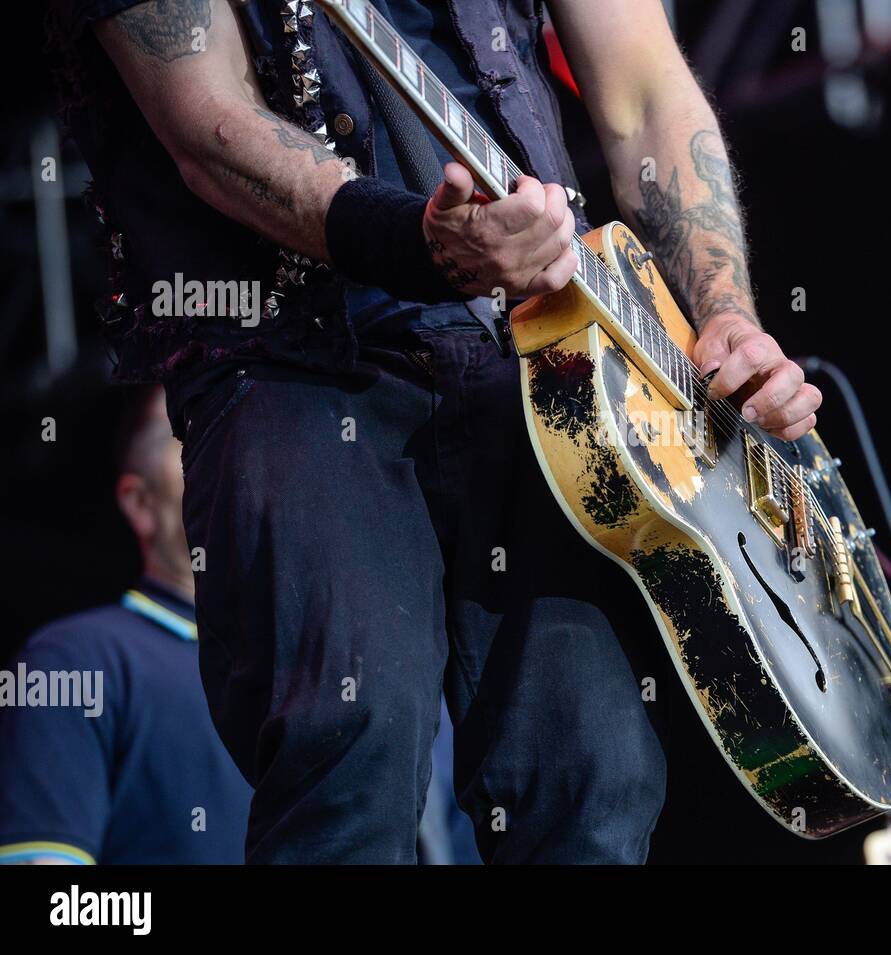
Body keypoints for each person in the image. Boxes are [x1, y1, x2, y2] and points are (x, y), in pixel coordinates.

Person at [47, 0, 822, 863]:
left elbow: (642, 88)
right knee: (348, 762)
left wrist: (725, 311)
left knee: (597, 780)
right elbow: (208, 121)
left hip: (546, 353)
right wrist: (416, 244)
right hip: (293, 356)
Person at [0, 386, 251, 864]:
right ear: (140, 502)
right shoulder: (71, 662)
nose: (239, 450)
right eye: (198, 428)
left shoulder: (322, 666)